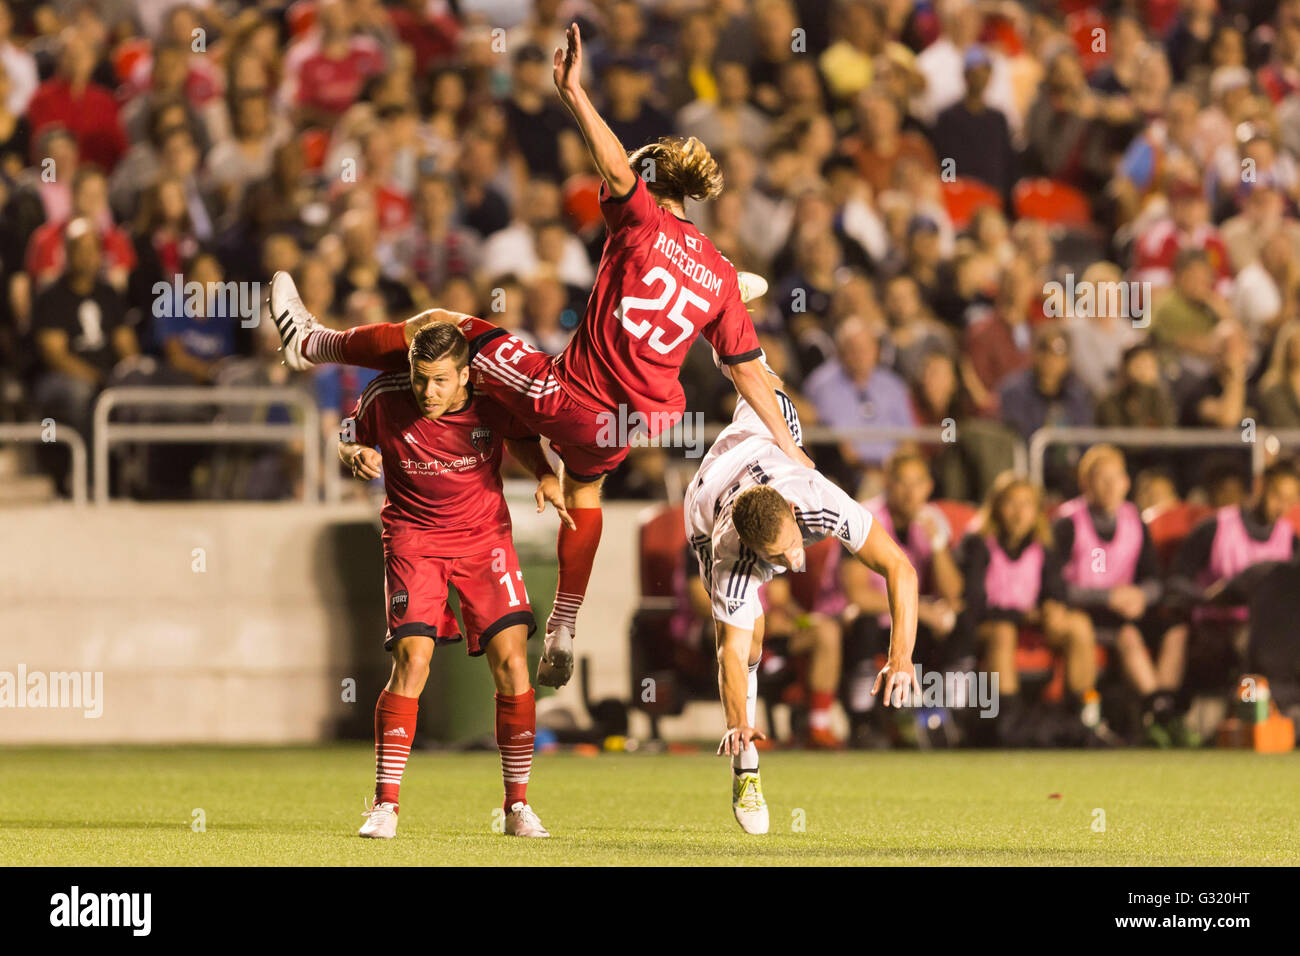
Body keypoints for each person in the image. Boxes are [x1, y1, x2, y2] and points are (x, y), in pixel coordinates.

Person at [270, 23, 809, 693]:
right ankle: (565, 625)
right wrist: (788, 445)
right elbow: (748, 371)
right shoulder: (721, 278)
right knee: (584, 490)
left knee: (447, 330)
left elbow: (612, 166)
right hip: (631, 426)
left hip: (568, 394)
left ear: (644, 185)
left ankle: (313, 343)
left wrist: (575, 94)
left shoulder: (639, 220)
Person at [340, 323, 573, 840]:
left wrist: (545, 473)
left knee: (514, 665)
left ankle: (517, 807)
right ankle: (384, 805)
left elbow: (522, 438)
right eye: (421, 379)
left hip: (484, 540)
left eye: (441, 381)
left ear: (467, 374)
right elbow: (345, 436)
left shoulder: (492, 398)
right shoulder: (385, 394)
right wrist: (355, 454)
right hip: (413, 537)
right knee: (413, 660)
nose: (428, 392)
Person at [683, 356, 918, 832]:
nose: (795, 560)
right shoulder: (731, 554)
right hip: (708, 500)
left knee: (768, 384)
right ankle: (745, 772)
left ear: (794, 511)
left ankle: (730, 320)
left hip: (764, 441)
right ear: (752, 549)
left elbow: (900, 568)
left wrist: (902, 656)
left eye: (791, 545)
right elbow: (729, 654)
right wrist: (736, 724)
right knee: (748, 643)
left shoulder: (817, 495)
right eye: (777, 556)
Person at [1161, 460, 1300, 743]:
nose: (1282, 507)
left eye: (1290, 500)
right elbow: (1175, 582)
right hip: (1214, 627)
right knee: (1250, 643)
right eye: (1277, 496)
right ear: (1259, 487)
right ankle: (1253, 718)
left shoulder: (1290, 539)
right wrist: (1210, 597)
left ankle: (1277, 718)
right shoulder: (1215, 528)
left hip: (1268, 637)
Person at [958, 473, 1103, 743]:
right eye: (1011, 503)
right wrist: (1024, 615)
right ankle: (1009, 719)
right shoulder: (978, 543)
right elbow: (974, 603)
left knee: (1078, 624)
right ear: (997, 507)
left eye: (1026, 504)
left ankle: (1080, 717)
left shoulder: (1042, 547)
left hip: (1030, 623)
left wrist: (1052, 608)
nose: (1018, 512)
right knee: (1004, 632)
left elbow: (1055, 589)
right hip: (988, 626)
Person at [1053, 445, 1172, 742]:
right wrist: (1106, 597)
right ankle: (1084, 722)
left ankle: (1161, 712)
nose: (1108, 486)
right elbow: (1052, 586)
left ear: (1126, 483)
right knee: (1083, 632)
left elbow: (1155, 580)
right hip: (1077, 612)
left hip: (1120, 617)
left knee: (1140, 636)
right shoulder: (1068, 522)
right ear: (1085, 483)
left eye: (1114, 478)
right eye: (1100, 479)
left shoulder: (1134, 520)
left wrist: (1141, 596)